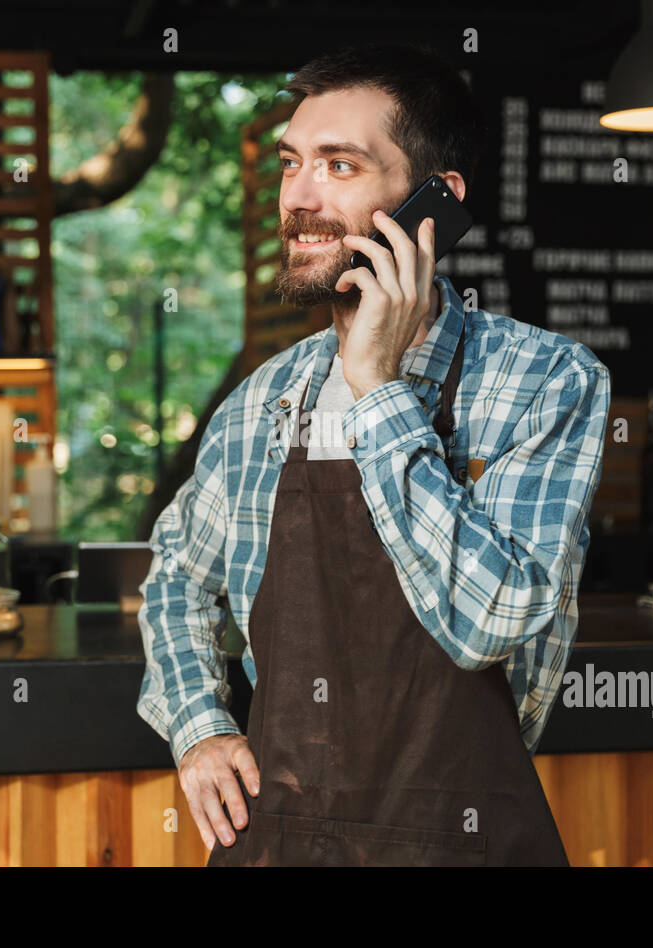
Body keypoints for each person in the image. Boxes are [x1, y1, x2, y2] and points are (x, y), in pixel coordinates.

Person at [137, 41, 611, 865]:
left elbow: (486, 623)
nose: (299, 197)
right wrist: (198, 726)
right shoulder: (262, 401)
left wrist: (376, 387)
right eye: (292, 165)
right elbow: (178, 573)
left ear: (435, 205)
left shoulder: (546, 380)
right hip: (278, 845)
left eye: (341, 167)